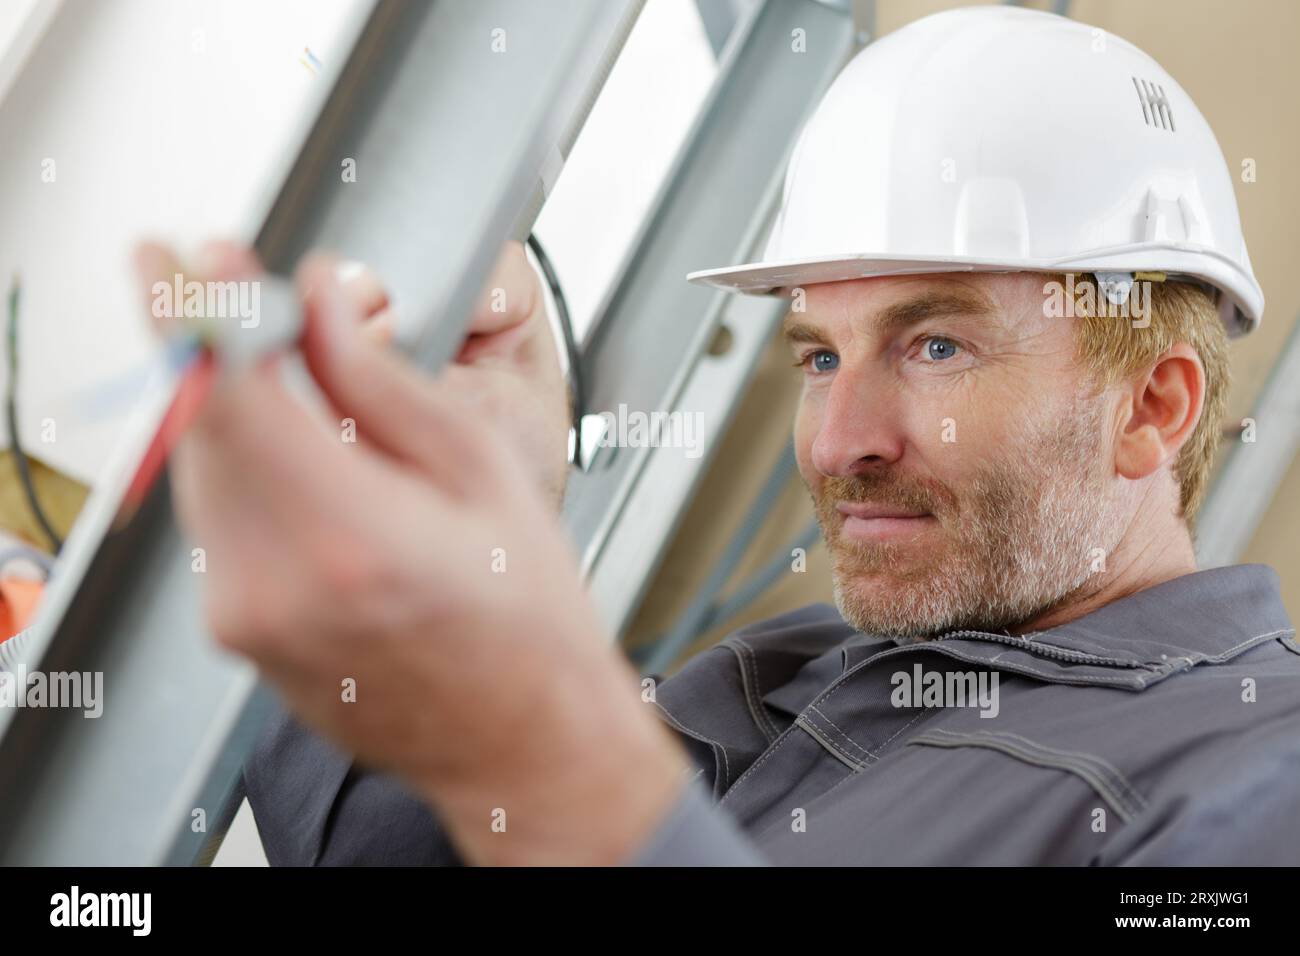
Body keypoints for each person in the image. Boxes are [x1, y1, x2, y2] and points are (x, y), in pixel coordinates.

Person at [136, 6, 1299, 865]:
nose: (838, 440)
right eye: (818, 354)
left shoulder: (1249, 780)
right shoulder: (794, 670)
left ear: (1151, 407)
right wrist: (463, 512)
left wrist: (555, 752)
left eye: (935, 345)